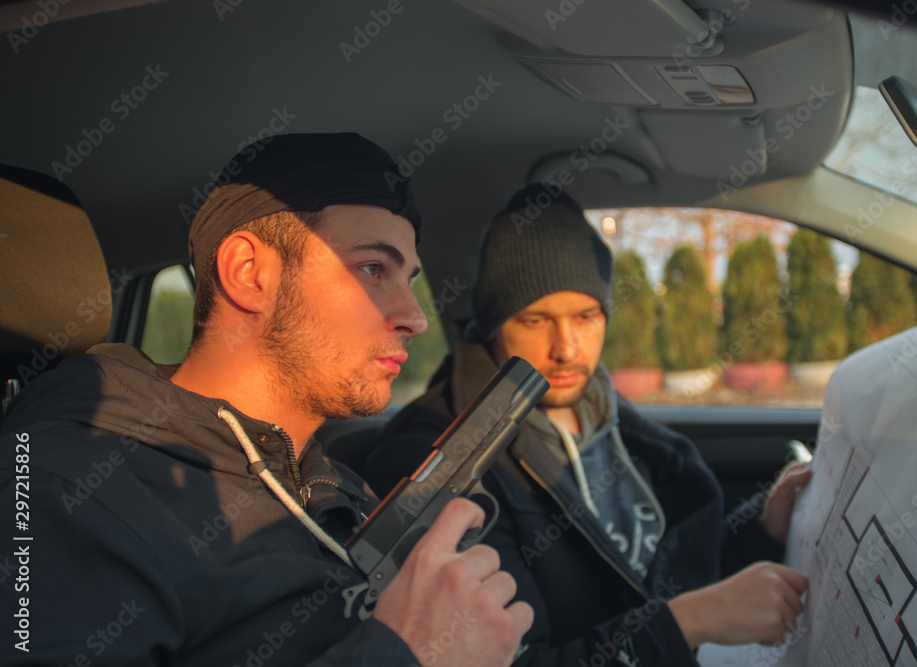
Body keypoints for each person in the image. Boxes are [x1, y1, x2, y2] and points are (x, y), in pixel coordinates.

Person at [0, 133, 531, 667]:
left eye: (409, 280)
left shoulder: (339, 488)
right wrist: (406, 654)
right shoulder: (62, 490)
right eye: (373, 269)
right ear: (249, 273)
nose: (415, 318)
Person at [364, 183, 812, 666]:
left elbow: (659, 574)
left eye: (586, 316)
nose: (567, 349)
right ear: (495, 326)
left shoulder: (605, 413)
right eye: (536, 321)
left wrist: (762, 531)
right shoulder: (433, 462)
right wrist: (685, 623)